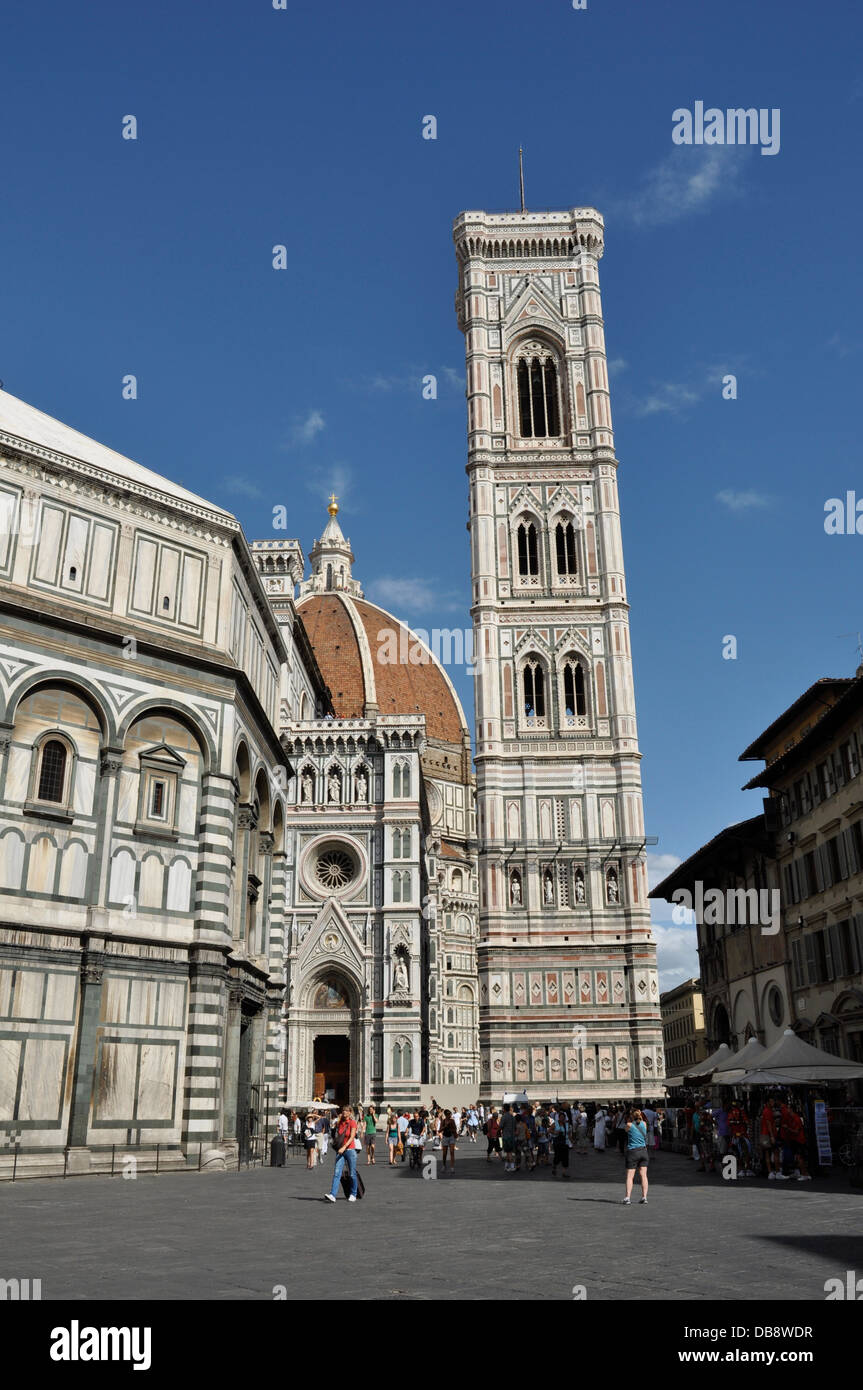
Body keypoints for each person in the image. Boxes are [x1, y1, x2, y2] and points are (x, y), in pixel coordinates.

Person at [324, 1104, 359, 1202]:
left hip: (350, 1150)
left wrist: (344, 1147)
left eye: (346, 1110)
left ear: (350, 1112)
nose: (344, 1112)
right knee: (337, 1173)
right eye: (343, 1110)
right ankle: (333, 1195)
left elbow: (352, 1137)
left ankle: (353, 1193)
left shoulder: (352, 1123)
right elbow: (336, 1135)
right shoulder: (340, 1123)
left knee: (352, 1173)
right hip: (340, 1151)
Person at [622, 1108, 649, 1205]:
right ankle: (644, 1197)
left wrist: (628, 1119)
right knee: (644, 1176)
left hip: (633, 1152)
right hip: (643, 1151)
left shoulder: (629, 1125)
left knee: (630, 1176)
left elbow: (625, 1130)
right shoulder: (644, 1124)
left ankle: (627, 1197)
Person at [780, 1101, 811, 1181]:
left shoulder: (797, 1118)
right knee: (796, 1158)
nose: (787, 1109)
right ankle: (799, 1172)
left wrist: (788, 1128)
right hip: (793, 1140)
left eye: (788, 1108)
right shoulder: (790, 1118)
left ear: (791, 1109)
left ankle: (805, 1174)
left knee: (800, 1158)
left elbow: (797, 1131)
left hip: (799, 1140)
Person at [551, 1108, 572, 1180]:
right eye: (561, 1117)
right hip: (557, 1143)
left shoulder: (566, 1124)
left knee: (565, 1158)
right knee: (557, 1157)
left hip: (565, 1143)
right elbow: (549, 1130)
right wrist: (555, 1132)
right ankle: (554, 1167)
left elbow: (569, 1133)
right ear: (559, 1117)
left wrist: (571, 1141)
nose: (562, 1119)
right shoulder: (555, 1123)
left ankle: (564, 1173)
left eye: (563, 1117)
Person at [500, 1103, 517, 1172]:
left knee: (509, 1152)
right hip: (512, 1136)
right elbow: (515, 1126)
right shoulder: (512, 1117)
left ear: (504, 1109)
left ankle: (512, 1166)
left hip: (506, 1136)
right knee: (508, 1152)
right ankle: (506, 1166)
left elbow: (501, 1126)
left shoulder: (504, 1117)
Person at [441, 1109, 458, 1175]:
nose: (449, 1116)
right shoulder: (443, 1121)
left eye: (450, 1114)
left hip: (451, 1137)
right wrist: (445, 1126)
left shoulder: (452, 1121)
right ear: (445, 1115)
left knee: (452, 1152)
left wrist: (451, 1128)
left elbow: (455, 1128)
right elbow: (440, 1130)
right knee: (444, 1153)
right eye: (448, 1115)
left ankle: (452, 1167)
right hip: (445, 1137)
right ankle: (444, 1165)